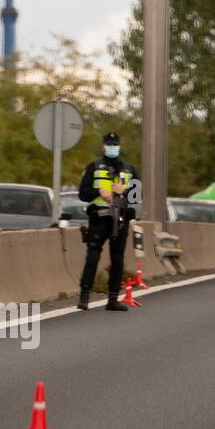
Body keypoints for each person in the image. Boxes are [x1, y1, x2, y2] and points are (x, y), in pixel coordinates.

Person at [76, 131, 140, 310]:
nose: (112, 147)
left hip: (120, 219)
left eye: (115, 144)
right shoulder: (94, 167)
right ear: (103, 146)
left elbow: (137, 196)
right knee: (93, 254)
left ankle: (113, 298)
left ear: (119, 146)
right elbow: (83, 193)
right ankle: (84, 296)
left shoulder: (129, 169)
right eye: (109, 144)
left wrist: (123, 192)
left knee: (117, 258)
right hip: (100, 217)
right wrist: (99, 193)